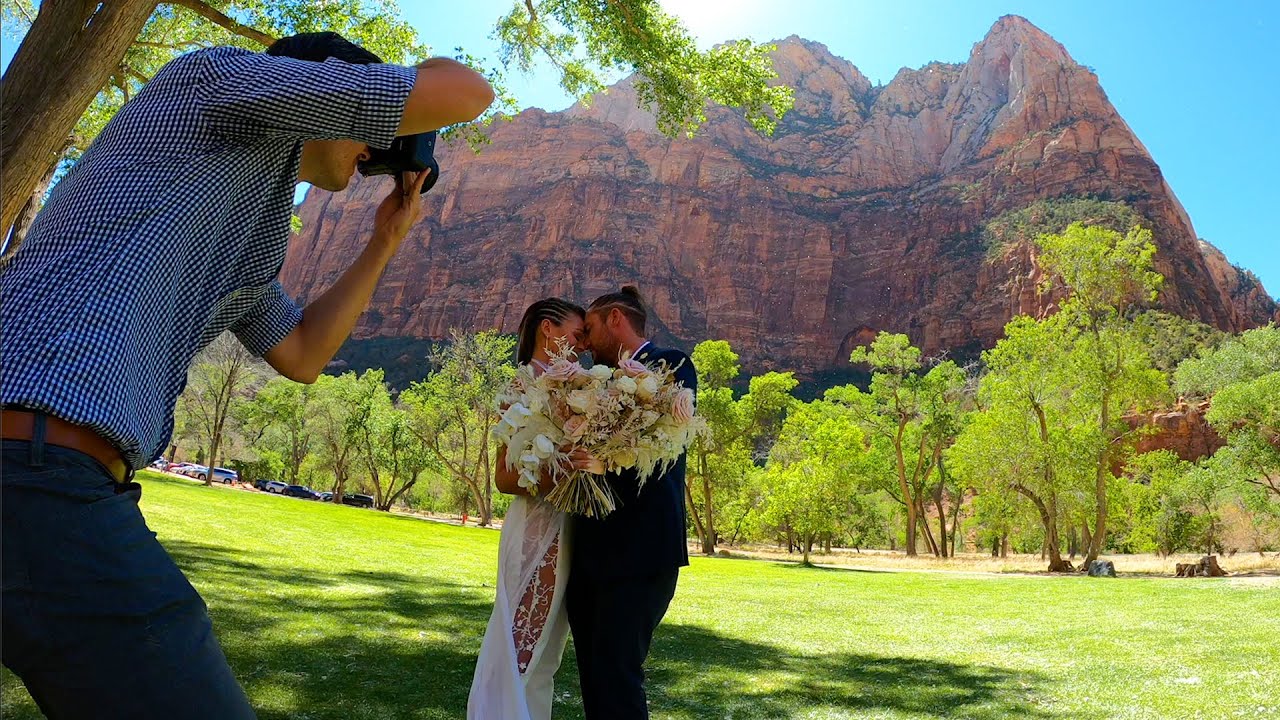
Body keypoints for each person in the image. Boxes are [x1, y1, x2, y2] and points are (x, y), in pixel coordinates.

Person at [0, 32, 493, 719]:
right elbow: (469, 93)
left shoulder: (251, 225)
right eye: (370, 143)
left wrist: (386, 240)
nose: (368, 165)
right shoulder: (217, 81)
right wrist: (413, 123)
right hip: (37, 470)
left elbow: (303, 354)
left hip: (52, 474)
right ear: (319, 89)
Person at [568, 286, 697, 719]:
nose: (583, 342)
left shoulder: (672, 364)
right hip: (588, 556)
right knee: (592, 674)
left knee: (617, 673)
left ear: (616, 320)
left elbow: (660, 446)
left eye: (588, 329)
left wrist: (606, 463)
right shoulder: (589, 379)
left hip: (642, 555)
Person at [468, 298, 597, 720]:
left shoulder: (580, 389)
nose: (583, 346)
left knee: (547, 658)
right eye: (578, 335)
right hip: (535, 530)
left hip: (572, 528)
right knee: (523, 648)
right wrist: (565, 476)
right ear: (548, 329)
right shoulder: (522, 387)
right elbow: (504, 478)